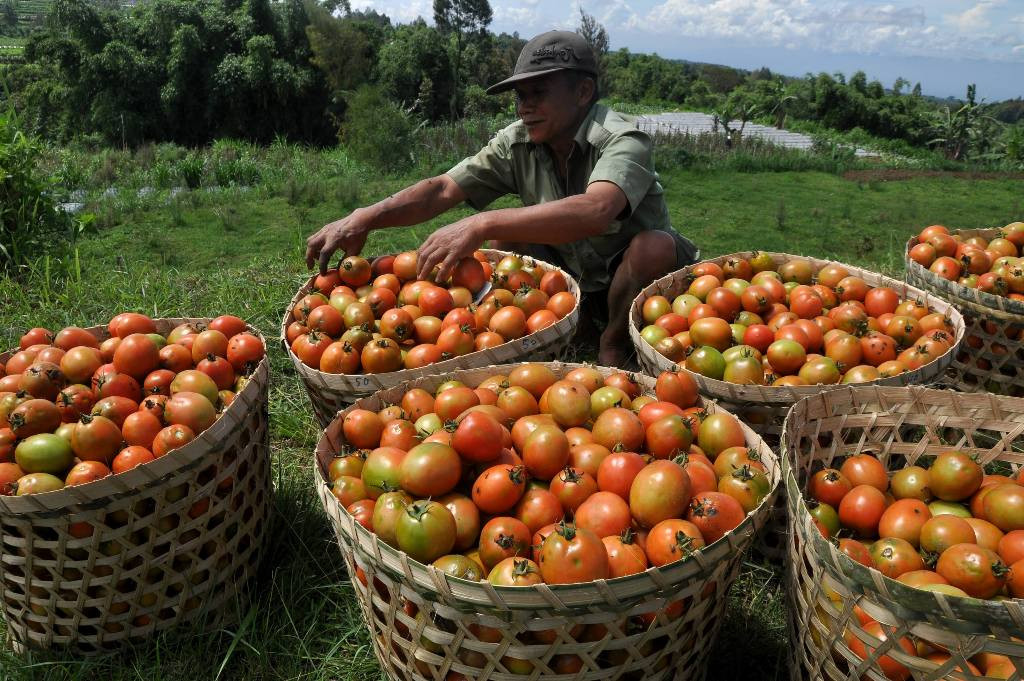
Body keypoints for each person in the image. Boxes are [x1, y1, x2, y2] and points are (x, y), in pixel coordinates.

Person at [305, 30, 698, 366]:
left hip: (637, 280)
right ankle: (530, 329)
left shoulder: (622, 138)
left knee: (652, 246)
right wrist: (366, 216)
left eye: (538, 93)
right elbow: (443, 189)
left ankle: (613, 341)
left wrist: (481, 221)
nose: (525, 107)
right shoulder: (518, 141)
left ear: (583, 91)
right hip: (576, 274)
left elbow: (597, 210)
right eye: (519, 96)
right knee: (506, 241)